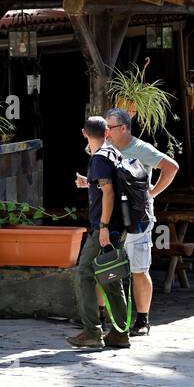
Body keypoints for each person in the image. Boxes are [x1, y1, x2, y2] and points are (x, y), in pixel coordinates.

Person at [103, 107, 179, 336]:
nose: (106, 132)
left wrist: (153, 193)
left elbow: (171, 167)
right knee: (109, 267)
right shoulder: (107, 149)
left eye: (110, 127)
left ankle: (143, 320)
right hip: (112, 218)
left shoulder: (141, 148)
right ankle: (107, 317)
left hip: (138, 217)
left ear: (124, 128)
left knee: (139, 268)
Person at [69, 116, 137, 349]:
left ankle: (91, 332)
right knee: (110, 278)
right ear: (107, 132)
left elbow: (108, 193)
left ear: (84, 133)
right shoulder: (112, 153)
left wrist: (104, 227)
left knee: (83, 274)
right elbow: (107, 187)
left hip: (105, 227)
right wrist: (88, 182)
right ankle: (120, 333)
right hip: (118, 226)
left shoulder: (99, 158)